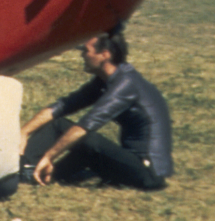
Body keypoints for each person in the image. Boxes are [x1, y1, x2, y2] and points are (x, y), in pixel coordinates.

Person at [19, 28, 172, 190]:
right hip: (133, 163)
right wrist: (24, 132)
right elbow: (64, 105)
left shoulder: (125, 85)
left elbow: (84, 126)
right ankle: (26, 169)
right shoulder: (106, 80)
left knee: (87, 139)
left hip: (149, 174)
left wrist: (49, 156)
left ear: (105, 55)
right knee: (67, 132)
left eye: (86, 51)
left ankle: (28, 169)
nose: (82, 55)